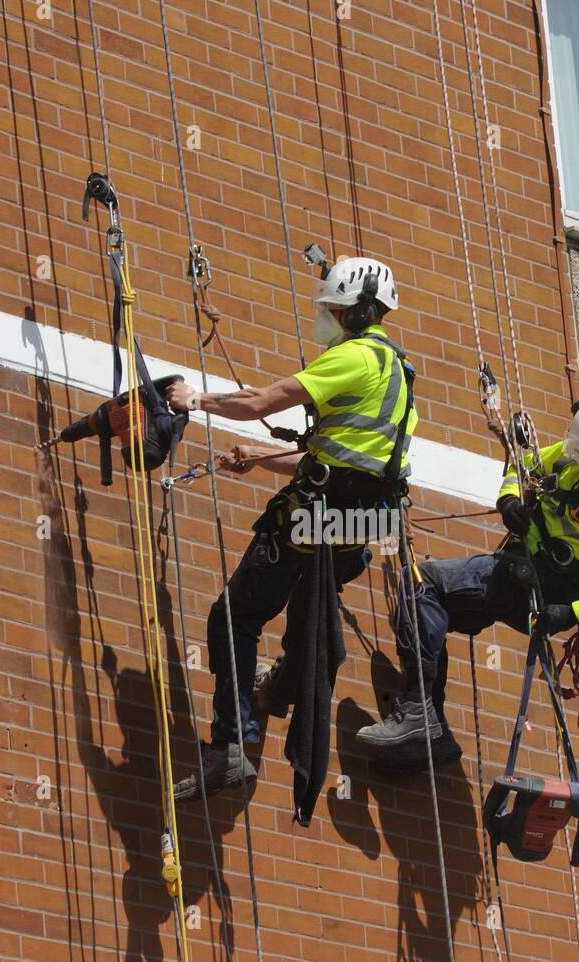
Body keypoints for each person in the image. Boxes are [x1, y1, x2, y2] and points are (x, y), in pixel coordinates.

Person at [165, 254, 417, 797]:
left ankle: (232, 743)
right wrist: (260, 456)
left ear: (356, 312)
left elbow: (263, 399)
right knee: (302, 610)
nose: (322, 314)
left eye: (330, 307)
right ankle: (281, 687)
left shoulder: (354, 358)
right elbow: (344, 460)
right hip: (356, 528)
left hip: (314, 517)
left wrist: (198, 399)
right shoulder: (401, 378)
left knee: (235, 615)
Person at [357, 393, 579, 762]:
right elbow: (524, 464)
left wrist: (574, 614)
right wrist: (508, 501)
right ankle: (430, 728)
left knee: (426, 587)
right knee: (429, 605)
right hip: (522, 565)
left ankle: (420, 716)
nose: (578, 467)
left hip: (546, 591)